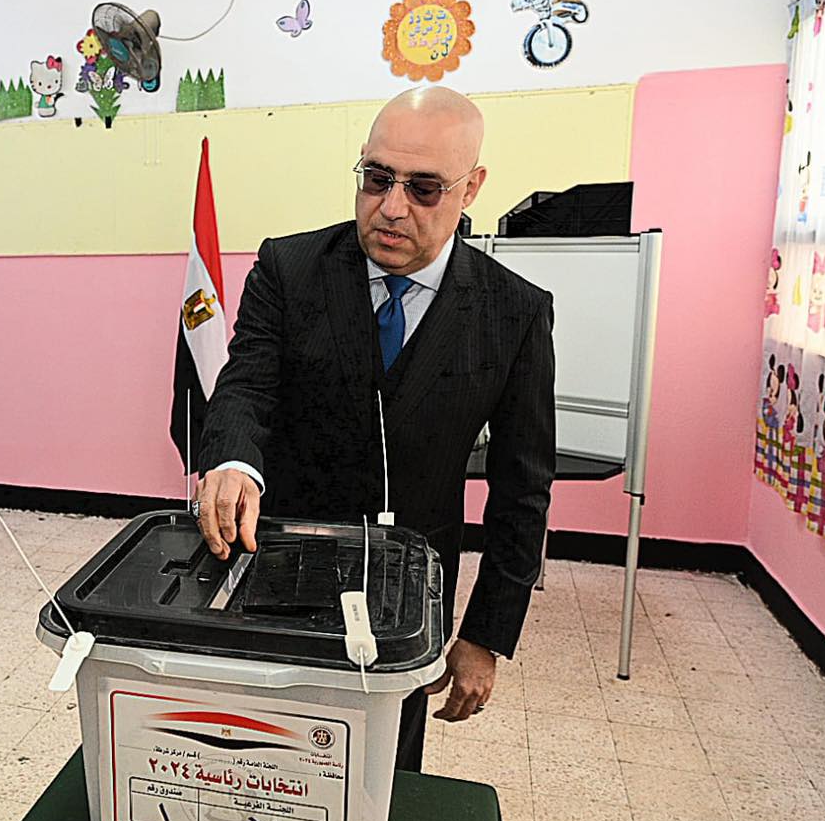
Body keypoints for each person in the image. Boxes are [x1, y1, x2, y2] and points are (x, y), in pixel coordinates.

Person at [194, 86, 555, 771]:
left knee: (383, 769)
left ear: (471, 187)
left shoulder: (514, 313)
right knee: (266, 758)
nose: (391, 208)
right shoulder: (289, 269)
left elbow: (522, 490)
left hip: (411, 589)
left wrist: (486, 632)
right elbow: (245, 386)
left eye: (424, 189)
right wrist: (235, 461)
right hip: (282, 567)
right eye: (376, 178)